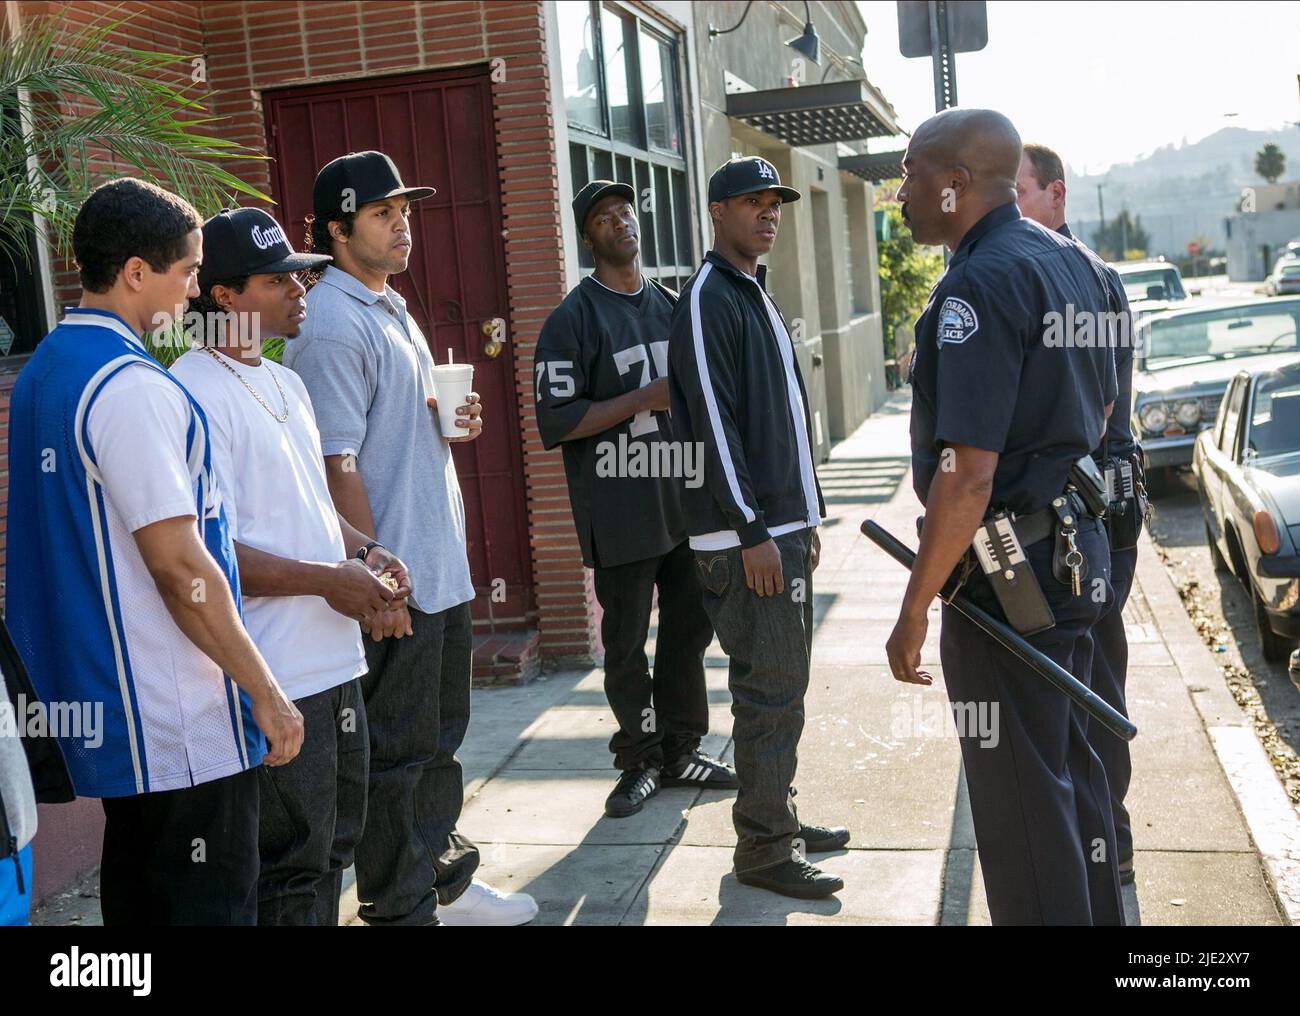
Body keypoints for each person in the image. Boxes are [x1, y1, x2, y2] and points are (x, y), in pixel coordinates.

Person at [7, 178, 304, 925]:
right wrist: (265, 691)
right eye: (188, 270)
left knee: (140, 914)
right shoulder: (132, 386)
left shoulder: (45, 367)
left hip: (111, 713)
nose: (196, 289)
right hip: (176, 721)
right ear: (136, 271)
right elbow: (179, 565)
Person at [287, 151, 536, 926]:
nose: (403, 226)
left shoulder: (389, 306)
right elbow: (335, 464)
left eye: (406, 211)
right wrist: (375, 579)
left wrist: (444, 421)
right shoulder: (330, 322)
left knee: (437, 744)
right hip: (396, 580)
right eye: (382, 214)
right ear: (336, 230)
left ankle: (438, 882)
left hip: (436, 565)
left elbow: (389, 433)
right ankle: (402, 909)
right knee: (396, 756)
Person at [888, 109, 1124, 925]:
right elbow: (1101, 412)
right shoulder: (1072, 261)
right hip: (1074, 556)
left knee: (1024, 809)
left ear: (955, 182)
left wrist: (915, 608)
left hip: (1006, 573)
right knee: (1070, 773)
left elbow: (966, 477)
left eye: (912, 172)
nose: (901, 190)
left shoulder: (979, 284)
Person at [172, 206, 416, 924]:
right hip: (275, 675)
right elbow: (203, 558)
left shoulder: (287, 383)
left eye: (300, 274)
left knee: (335, 848)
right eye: (278, 278)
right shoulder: (189, 393)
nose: (299, 288)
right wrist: (328, 581)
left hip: (335, 663)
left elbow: (311, 509)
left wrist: (365, 552)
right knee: (291, 868)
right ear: (223, 296)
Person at [668, 156, 850, 901]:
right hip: (742, 539)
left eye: (774, 203)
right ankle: (766, 850)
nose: (767, 213)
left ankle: (777, 816)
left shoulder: (754, 292)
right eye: (752, 202)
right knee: (768, 692)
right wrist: (752, 531)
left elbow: (779, 424)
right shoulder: (711, 296)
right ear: (718, 211)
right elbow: (713, 425)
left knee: (783, 687)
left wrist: (803, 518)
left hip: (776, 529)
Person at [534, 180, 737, 818]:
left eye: (625, 211)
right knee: (625, 644)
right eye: (603, 216)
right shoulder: (572, 319)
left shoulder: (674, 306)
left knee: (687, 633)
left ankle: (680, 748)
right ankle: (640, 757)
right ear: (587, 236)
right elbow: (558, 422)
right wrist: (640, 400)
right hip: (619, 509)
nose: (620, 221)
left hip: (681, 499)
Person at [1017, 142, 1140, 886]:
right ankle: (1089, 835)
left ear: (1055, 195)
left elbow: (1099, 415)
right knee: (1074, 681)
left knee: (1092, 685)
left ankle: (1107, 840)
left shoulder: (1087, 280)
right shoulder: (1041, 275)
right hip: (1076, 517)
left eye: (1019, 192)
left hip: (1094, 514)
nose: (1009, 207)